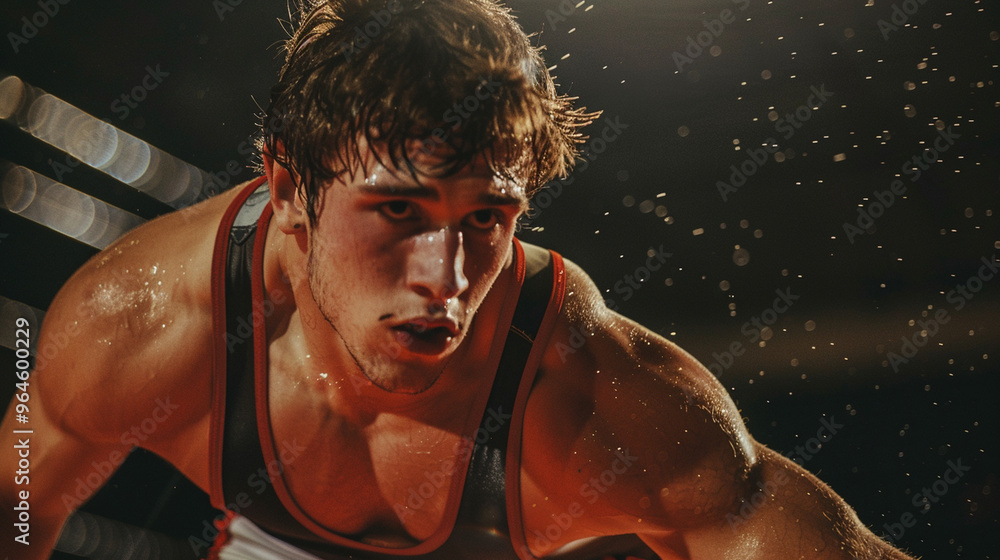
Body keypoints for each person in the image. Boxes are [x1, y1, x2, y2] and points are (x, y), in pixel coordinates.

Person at [1, 0, 917, 558]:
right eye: (398, 210)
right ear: (289, 188)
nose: (447, 278)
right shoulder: (144, 319)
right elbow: (16, 506)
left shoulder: (594, 395)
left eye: (486, 217)